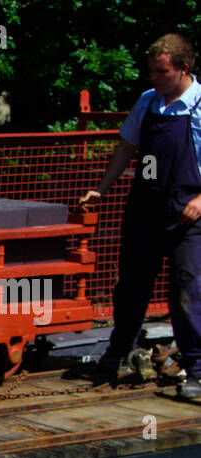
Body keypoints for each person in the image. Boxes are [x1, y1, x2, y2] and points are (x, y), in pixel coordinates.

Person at [79, 33, 201, 400]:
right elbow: (128, 148)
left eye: (161, 72)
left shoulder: (198, 107)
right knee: (131, 285)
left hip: (186, 215)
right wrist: (102, 188)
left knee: (187, 291)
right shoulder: (148, 103)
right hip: (146, 208)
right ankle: (119, 351)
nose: (154, 78)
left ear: (184, 68)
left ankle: (197, 367)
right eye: (151, 71)